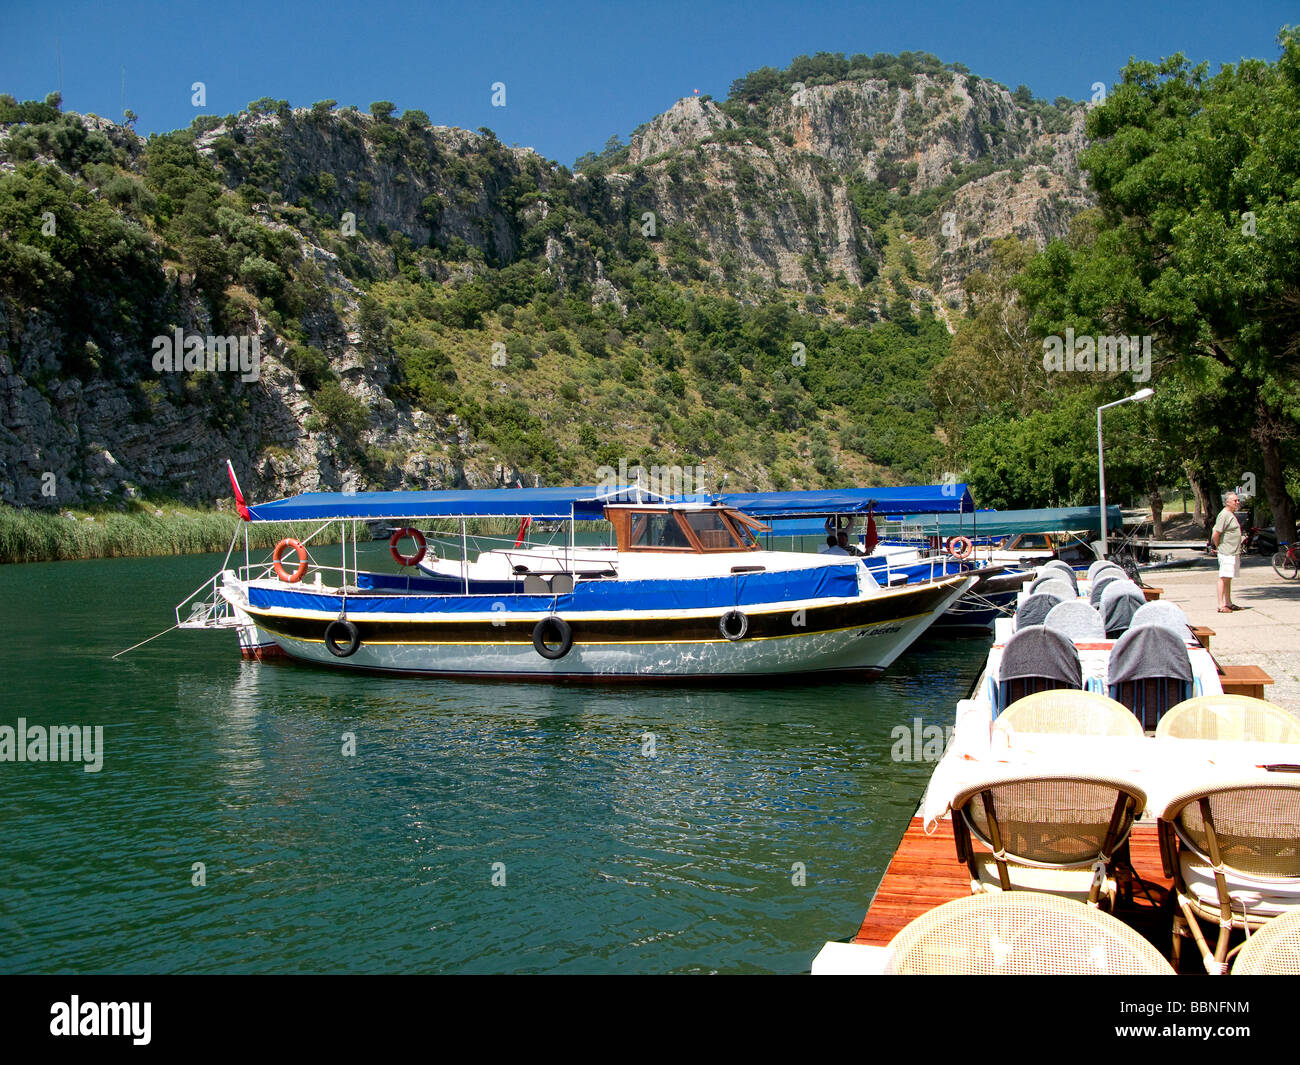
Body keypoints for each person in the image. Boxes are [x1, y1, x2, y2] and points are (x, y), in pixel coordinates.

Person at [1211, 492, 1245, 612]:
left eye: (1238, 500)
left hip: (1233, 551)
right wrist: (1218, 546)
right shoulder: (1224, 514)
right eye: (1235, 501)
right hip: (1226, 551)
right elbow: (1216, 534)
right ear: (1227, 502)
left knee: (1228, 577)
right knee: (1224, 577)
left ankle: (1228, 602)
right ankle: (1221, 605)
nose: (1237, 502)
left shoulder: (1230, 514)